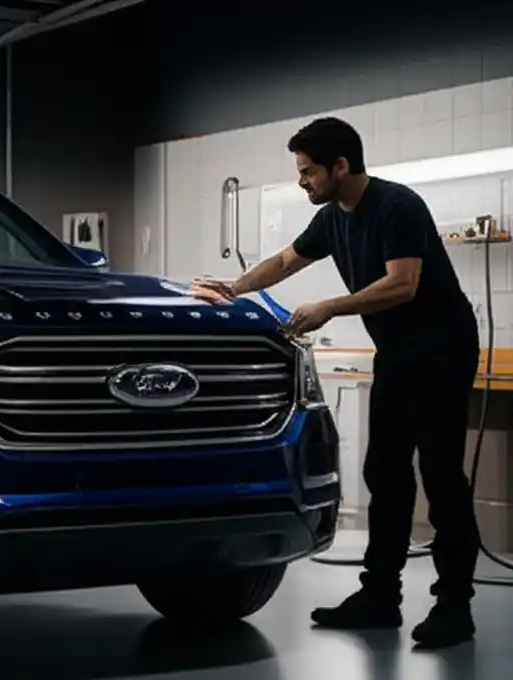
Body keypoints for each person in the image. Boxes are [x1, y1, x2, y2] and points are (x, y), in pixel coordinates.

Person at [192, 117, 481, 649]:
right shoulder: (332, 219)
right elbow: (284, 261)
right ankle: (379, 597)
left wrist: (330, 307)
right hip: (397, 353)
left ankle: (454, 606)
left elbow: (403, 284)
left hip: (442, 351)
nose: (302, 181)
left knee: (441, 476)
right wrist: (233, 289)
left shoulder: (398, 207)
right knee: (384, 472)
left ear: (340, 167)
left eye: (307, 172)